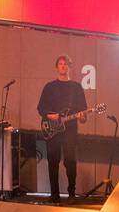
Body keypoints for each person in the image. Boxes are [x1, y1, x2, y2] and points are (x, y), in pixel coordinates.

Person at [36, 55, 88, 202]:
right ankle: (54, 195)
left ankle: (71, 193)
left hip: (70, 130)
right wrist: (49, 115)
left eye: (66, 64)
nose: (63, 66)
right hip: (52, 130)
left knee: (70, 161)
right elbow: (41, 108)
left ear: (70, 67)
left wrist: (82, 116)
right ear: (56, 67)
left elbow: (83, 113)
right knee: (53, 161)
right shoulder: (49, 87)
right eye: (60, 64)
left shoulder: (76, 87)